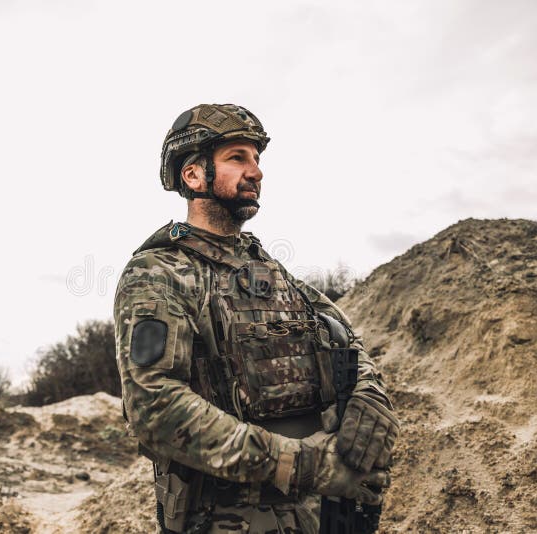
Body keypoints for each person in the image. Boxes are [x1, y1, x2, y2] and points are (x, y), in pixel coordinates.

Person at [114, 104, 399, 534]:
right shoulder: (160, 273)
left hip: (316, 516)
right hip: (225, 520)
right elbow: (153, 406)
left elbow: (347, 342)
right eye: (237, 158)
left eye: (257, 159)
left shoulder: (272, 272)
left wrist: (370, 399)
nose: (256, 171)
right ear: (194, 175)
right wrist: (300, 464)